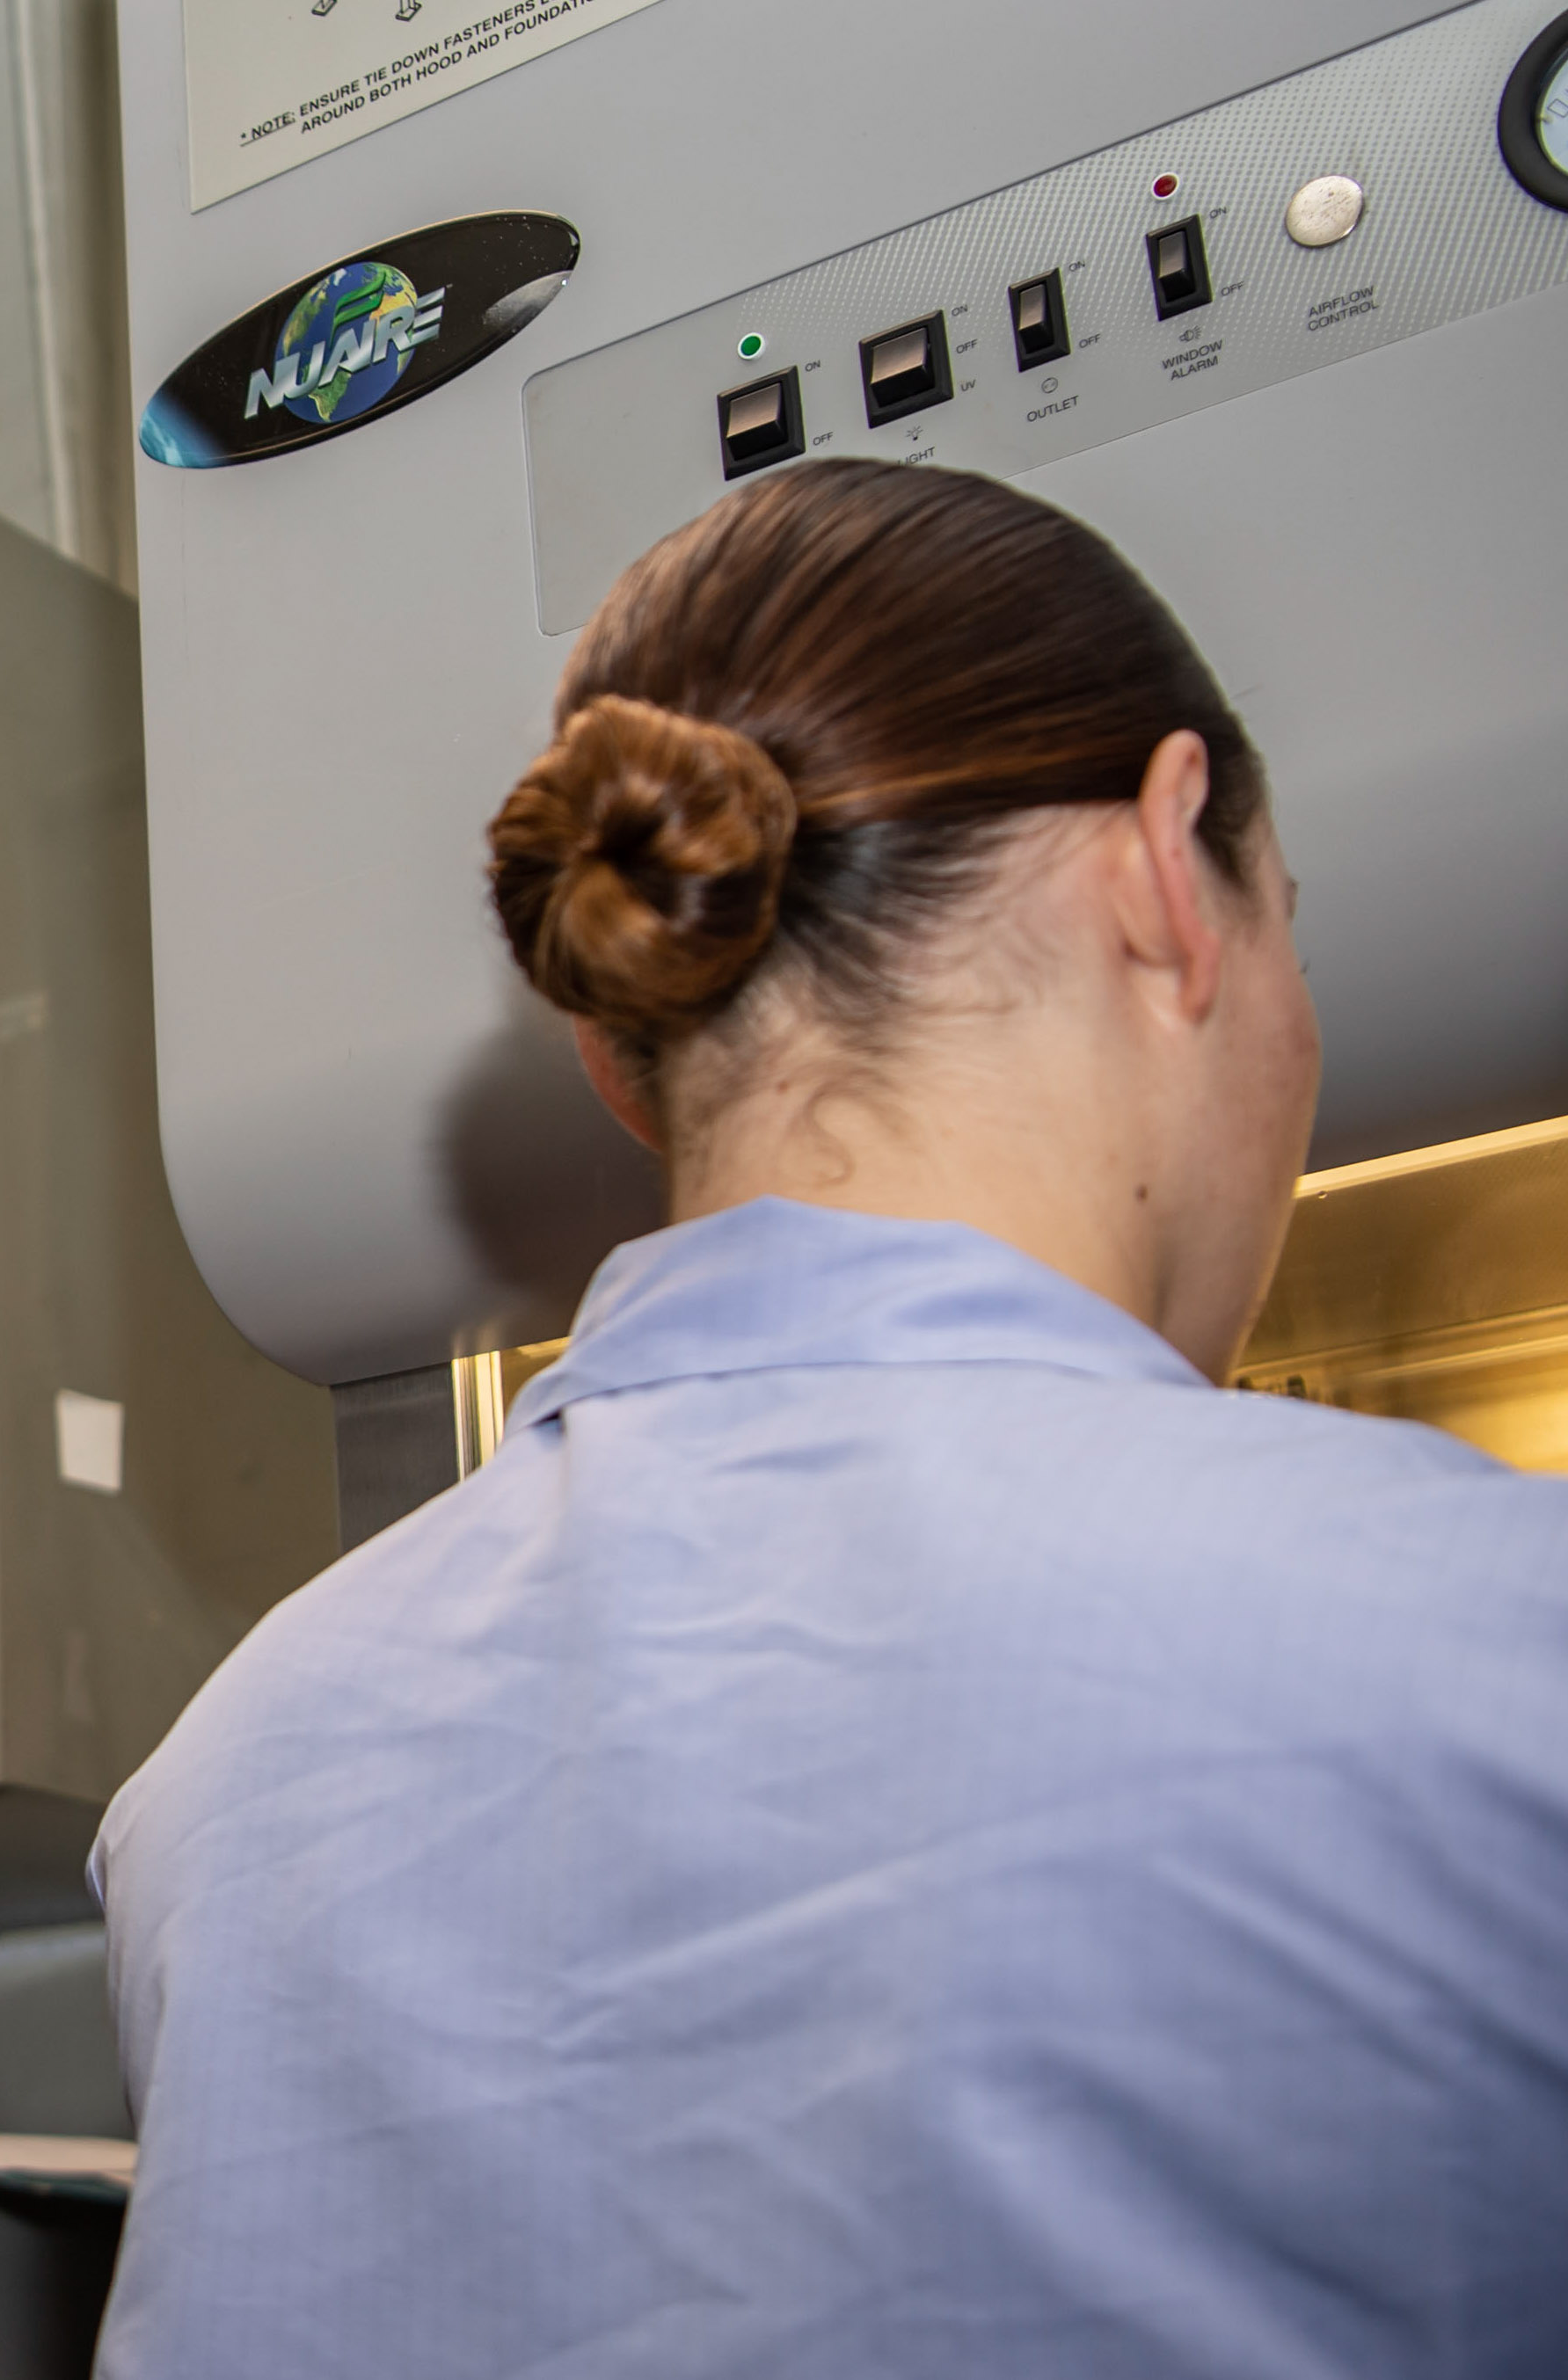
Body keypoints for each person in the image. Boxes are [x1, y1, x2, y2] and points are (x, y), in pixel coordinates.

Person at [93, 461, 1568, 2375]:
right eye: (1283, 918)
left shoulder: (213, 1802)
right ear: (1168, 877)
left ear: (616, 1061)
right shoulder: (1491, 1643)